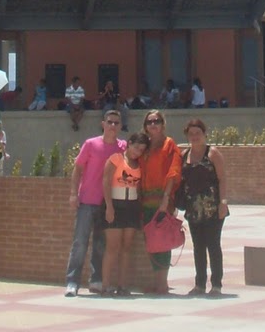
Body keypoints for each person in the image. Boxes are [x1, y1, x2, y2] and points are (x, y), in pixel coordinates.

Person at [65, 108, 126, 296]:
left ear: (120, 126)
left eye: (116, 122)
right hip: (87, 201)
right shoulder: (90, 144)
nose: (113, 125)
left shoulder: (122, 147)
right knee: (80, 242)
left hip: (107, 204)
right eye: (110, 122)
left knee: (101, 244)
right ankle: (72, 282)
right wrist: (74, 194)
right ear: (103, 124)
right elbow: (78, 169)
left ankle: (96, 280)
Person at [179, 117, 228, 297]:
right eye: (191, 134)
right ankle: (199, 284)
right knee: (198, 246)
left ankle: (216, 285)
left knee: (213, 245)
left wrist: (223, 203)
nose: (194, 137)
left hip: (213, 207)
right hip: (193, 208)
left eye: (197, 133)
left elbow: (222, 179)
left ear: (204, 134)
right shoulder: (184, 155)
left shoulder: (213, 153)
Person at [138, 109, 182, 295]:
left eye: (156, 121)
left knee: (162, 241)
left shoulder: (169, 144)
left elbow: (173, 171)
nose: (153, 124)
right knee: (151, 241)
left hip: (163, 201)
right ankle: (157, 283)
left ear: (163, 124)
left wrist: (166, 199)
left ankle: (162, 284)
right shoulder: (144, 146)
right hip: (145, 201)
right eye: (149, 122)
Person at [101, 130, 147, 296]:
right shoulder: (116, 159)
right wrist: (109, 207)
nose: (137, 152)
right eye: (136, 147)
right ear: (129, 144)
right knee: (113, 247)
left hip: (132, 206)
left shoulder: (140, 164)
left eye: (141, 150)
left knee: (127, 247)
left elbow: (140, 188)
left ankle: (122, 285)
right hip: (115, 204)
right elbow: (106, 181)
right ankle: (105, 285)